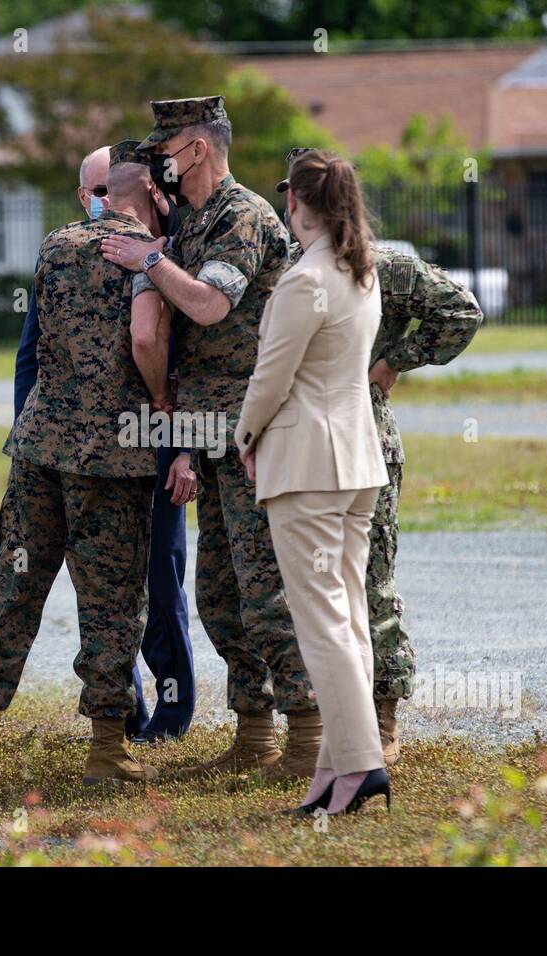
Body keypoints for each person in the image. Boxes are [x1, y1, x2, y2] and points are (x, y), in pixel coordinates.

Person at [102, 96, 320, 780]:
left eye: (166, 148)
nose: (158, 161)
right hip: (213, 433)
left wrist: (148, 260)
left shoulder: (243, 217)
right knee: (221, 596)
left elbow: (210, 303)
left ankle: (310, 736)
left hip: (262, 433)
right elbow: (192, 349)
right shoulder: (193, 221)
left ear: (197, 149)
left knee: (270, 592)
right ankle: (255, 732)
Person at [0, 145, 176, 785]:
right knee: (111, 599)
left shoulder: (56, 244)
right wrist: (161, 396)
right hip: (112, 456)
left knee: (11, 585)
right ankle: (108, 746)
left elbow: (42, 340)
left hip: (40, 448)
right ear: (151, 194)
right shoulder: (151, 258)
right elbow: (145, 337)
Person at [278, 148, 484, 765]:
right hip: (304, 445)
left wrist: (395, 361)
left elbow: (462, 311)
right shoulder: (288, 267)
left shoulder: (383, 267)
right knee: (312, 593)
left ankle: (383, 721)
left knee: (370, 584)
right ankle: (325, 729)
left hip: (365, 439)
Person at [13, 146, 198, 741]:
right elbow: (32, 360)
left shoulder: (167, 256)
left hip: (149, 445)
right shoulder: (65, 254)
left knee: (159, 582)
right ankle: (126, 715)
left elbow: (179, 365)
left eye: (108, 192)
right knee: (104, 588)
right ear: (81, 198)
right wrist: (36, 449)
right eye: (91, 194)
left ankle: (170, 714)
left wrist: (177, 449)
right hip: (74, 454)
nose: (101, 205)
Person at [236, 148, 389, 816]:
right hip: (356, 462)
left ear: (296, 200)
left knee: (322, 621)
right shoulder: (361, 272)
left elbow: (271, 376)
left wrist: (244, 436)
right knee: (348, 616)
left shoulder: (305, 280)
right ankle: (335, 771)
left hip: (307, 466)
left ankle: (359, 768)